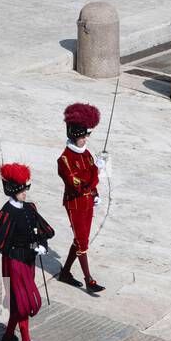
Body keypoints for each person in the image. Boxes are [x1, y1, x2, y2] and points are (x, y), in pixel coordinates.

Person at [0, 163, 54, 341]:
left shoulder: (30, 208)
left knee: (18, 300)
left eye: (25, 189)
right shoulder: (7, 212)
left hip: (28, 261)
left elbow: (42, 230)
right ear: (12, 191)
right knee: (23, 301)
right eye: (21, 190)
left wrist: (42, 246)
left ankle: (9, 335)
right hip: (13, 262)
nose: (24, 193)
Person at [56, 101, 106, 293]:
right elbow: (77, 184)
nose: (86, 139)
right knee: (83, 242)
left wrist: (95, 194)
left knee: (80, 240)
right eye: (84, 136)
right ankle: (89, 279)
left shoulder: (87, 154)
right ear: (75, 135)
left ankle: (65, 272)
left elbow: (91, 184)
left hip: (88, 202)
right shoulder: (64, 160)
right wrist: (96, 171)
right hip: (75, 203)